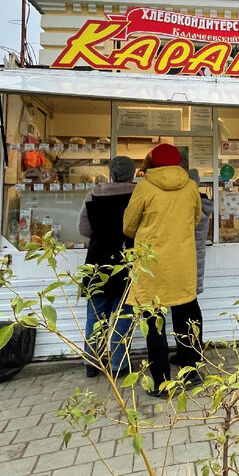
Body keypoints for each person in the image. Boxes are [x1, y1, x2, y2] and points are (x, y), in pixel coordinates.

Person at [122, 143, 201, 397]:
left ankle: (161, 383)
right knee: (186, 318)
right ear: (178, 162)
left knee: (154, 325)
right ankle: (191, 373)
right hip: (182, 262)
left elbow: (128, 226)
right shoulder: (190, 186)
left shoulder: (144, 187)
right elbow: (196, 218)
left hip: (152, 265)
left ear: (152, 163)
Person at [78, 155, 137, 379]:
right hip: (127, 258)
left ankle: (93, 362)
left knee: (96, 314)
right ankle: (119, 364)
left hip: (98, 259)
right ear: (132, 174)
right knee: (124, 313)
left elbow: (84, 229)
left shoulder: (93, 194)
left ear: (111, 172)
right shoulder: (137, 195)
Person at [175, 168, 214, 378]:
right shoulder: (201, 202)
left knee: (187, 310)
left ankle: (191, 356)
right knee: (187, 308)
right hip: (193, 261)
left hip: (188, 261)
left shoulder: (190, 204)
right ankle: (188, 351)